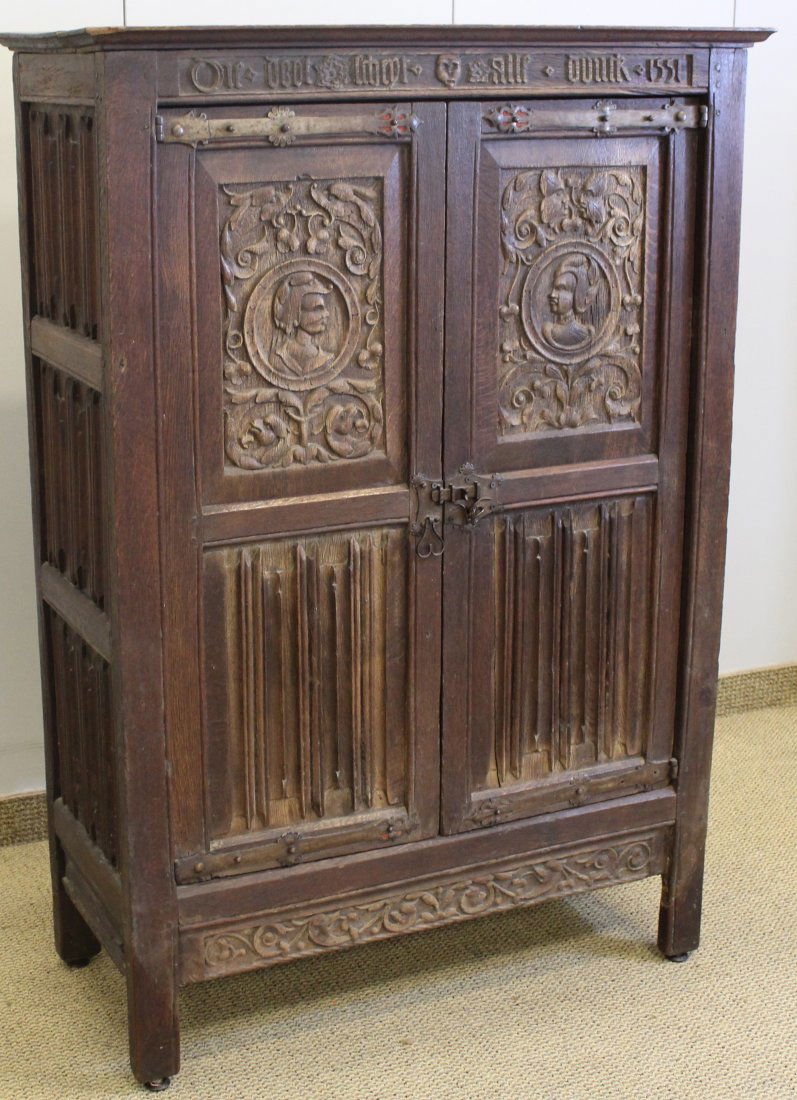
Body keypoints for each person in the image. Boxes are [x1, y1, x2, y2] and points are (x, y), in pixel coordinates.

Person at [271, 270, 335, 378]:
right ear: (295, 313)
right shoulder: (278, 358)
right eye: (317, 309)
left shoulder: (327, 359)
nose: (326, 314)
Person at [542, 253, 600, 352]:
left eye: (561, 288)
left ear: (577, 295)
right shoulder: (548, 330)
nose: (552, 295)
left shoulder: (585, 333)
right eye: (554, 289)